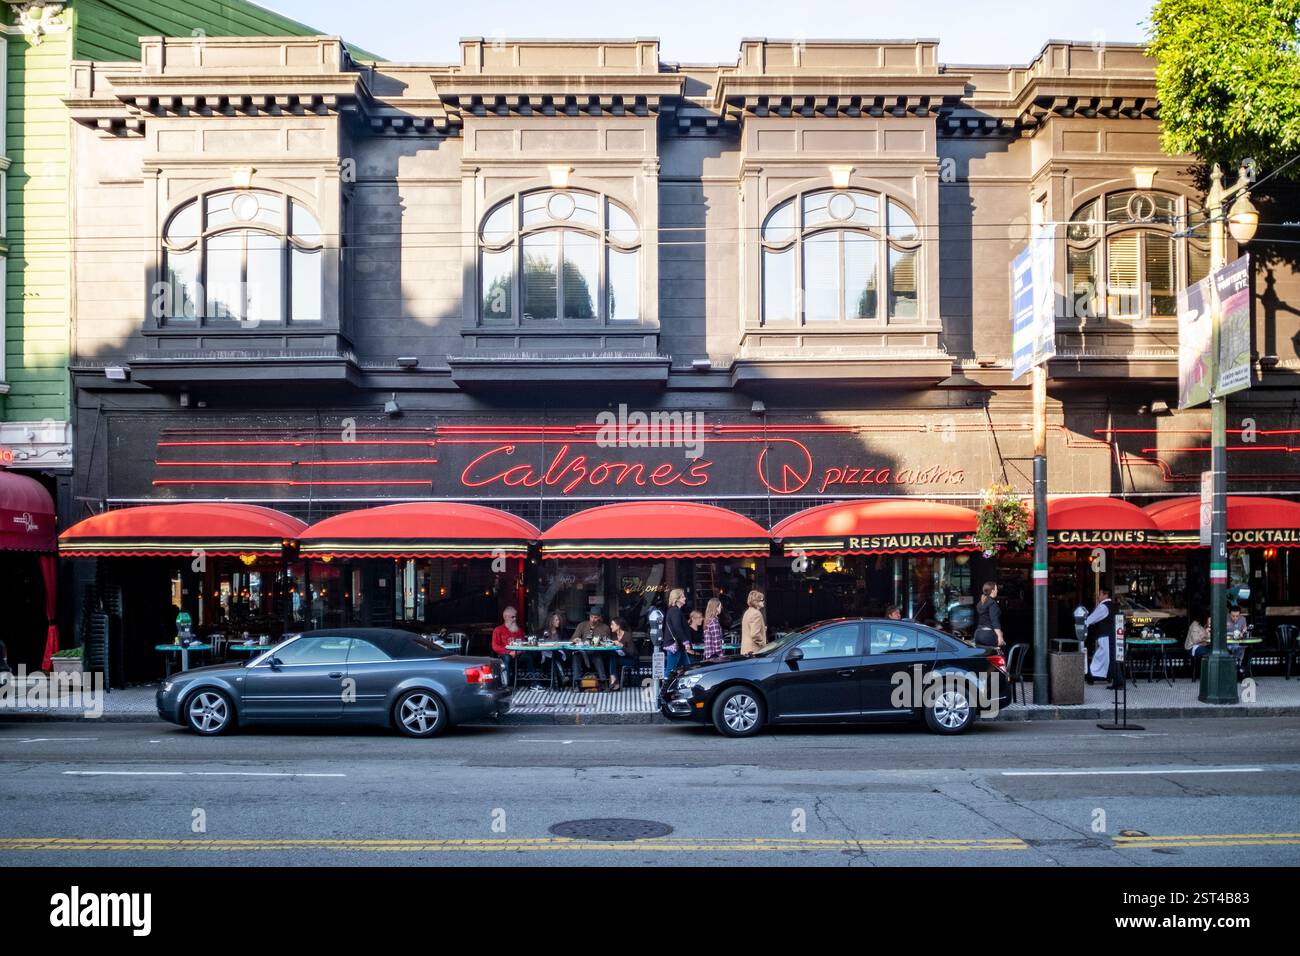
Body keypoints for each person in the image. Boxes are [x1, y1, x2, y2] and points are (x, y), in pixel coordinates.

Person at [1084, 588, 1122, 689]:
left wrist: (1083, 622)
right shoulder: (1114, 606)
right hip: (1113, 635)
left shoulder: (1103, 607)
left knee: (1103, 658)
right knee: (1109, 658)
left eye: (1100, 594)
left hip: (1106, 636)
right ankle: (1116, 681)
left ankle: (1091, 676)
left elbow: (1091, 619)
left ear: (1105, 595)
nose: (1098, 596)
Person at [570, 608, 611, 687]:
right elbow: (572, 639)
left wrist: (600, 642)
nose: (593, 619)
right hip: (582, 652)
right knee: (576, 655)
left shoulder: (604, 627)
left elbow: (607, 642)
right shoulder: (582, 625)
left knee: (597, 656)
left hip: (596, 652)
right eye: (591, 617)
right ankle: (576, 683)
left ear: (599, 617)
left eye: (595, 617)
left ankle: (603, 682)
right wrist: (576, 640)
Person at [490, 606, 523, 685]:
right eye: (512, 617)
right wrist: (509, 652)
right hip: (504, 654)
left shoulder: (519, 630)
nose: (515, 619)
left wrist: (518, 652)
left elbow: (523, 643)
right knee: (507, 658)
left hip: (518, 654)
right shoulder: (498, 630)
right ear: (505, 617)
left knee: (529, 657)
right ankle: (507, 684)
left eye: (515, 617)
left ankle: (534, 684)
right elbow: (495, 646)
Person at [663, 588, 691, 674]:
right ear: (677, 599)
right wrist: (685, 642)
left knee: (688, 669)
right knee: (670, 670)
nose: (685, 598)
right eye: (682, 597)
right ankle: (663, 687)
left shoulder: (674, 611)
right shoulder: (675, 611)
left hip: (678, 646)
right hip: (675, 645)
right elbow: (677, 628)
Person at [607, 617, 636, 691]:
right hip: (619, 658)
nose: (611, 626)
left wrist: (622, 646)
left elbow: (631, 652)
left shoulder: (627, 635)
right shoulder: (613, 635)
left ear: (618, 626)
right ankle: (614, 681)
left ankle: (614, 681)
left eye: (612, 624)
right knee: (611, 657)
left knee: (613, 659)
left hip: (630, 659)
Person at [973, 582, 1004, 650]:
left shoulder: (981, 602)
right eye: (996, 589)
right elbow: (994, 621)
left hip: (978, 634)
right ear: (992, 591)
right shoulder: (992, 603)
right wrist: (999, 636)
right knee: (1003, 647)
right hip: (988, 635)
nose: (997, 591)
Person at [740, 590, 767, 655]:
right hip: (754, 651)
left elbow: (750, 629)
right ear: (756, 602)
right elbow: (755, 634)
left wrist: (762, 629)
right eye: (762, 600)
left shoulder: (748, 612)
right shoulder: (756, 613)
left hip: (746, 650)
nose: (764, 601)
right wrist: (763, 643)